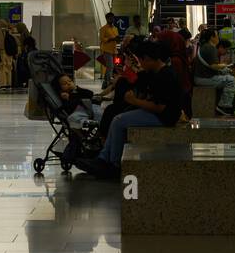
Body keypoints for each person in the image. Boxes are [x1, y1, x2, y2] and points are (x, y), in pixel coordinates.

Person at [71, 40, 181, 179]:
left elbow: (160, 107)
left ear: (147, 58)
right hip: (159, 113)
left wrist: (135, 101)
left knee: (119, 120)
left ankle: (114, 165)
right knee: (117, 116)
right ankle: (104, 159)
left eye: (141, 60)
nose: (141, 64)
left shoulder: (165, 76)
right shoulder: (159, 72)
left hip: (164, 117)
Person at [193, 28, 235, 115]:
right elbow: (214, 66)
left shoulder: (204, 46)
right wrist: (224, 66)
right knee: (231, 80)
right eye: (217, 36)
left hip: (201, 77)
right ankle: (224, 106)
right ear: (211, 37)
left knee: (227, 76)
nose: (218, 38)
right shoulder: (210, 48)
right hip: (204, 79)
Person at [98, 12, 119, 85]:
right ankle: (108, 82)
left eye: (112, 18)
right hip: (107, 50)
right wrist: (112, 39)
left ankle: (105, 83)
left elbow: (116, 38)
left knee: (112, 67)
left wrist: (117, 39)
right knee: (110, 66)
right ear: (107, 19)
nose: (111, 19)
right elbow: (102, 39)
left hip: (114, 50)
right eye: (110, 18)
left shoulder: (115, 29)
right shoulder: (103, 29)